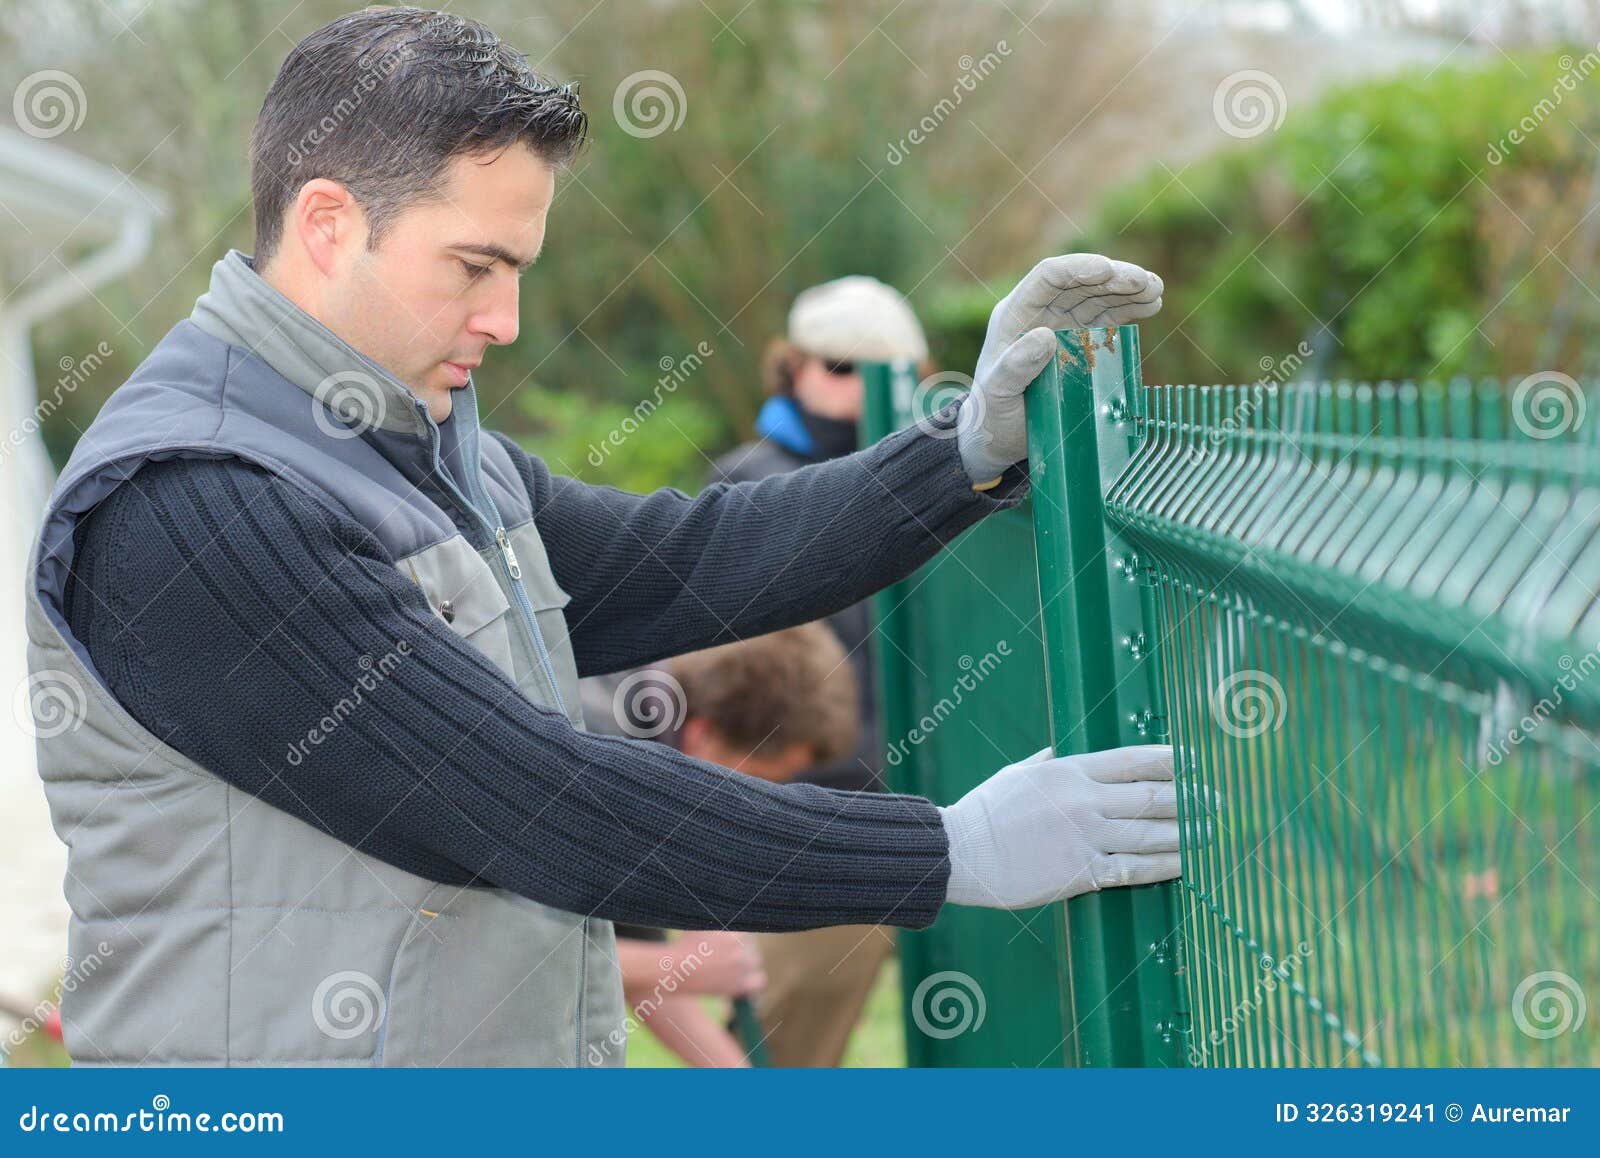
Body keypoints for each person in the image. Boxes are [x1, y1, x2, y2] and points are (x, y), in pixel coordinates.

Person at [25, 7, 1178, 1068]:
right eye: (474, 268)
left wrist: (961, 449)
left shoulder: (434, 451)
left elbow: (682, 563)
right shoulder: (191, 505)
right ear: (329, 224)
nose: (505, 319)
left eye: (515, 271)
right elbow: (534, 804)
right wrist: (946, 852)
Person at [591, 623, 860, 1066]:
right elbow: (528, 955)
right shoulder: (593, 745)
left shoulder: (653, 732)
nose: (752, 809)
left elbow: (621, 950)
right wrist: (683, 967)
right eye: (752, 782)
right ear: (703, 734)